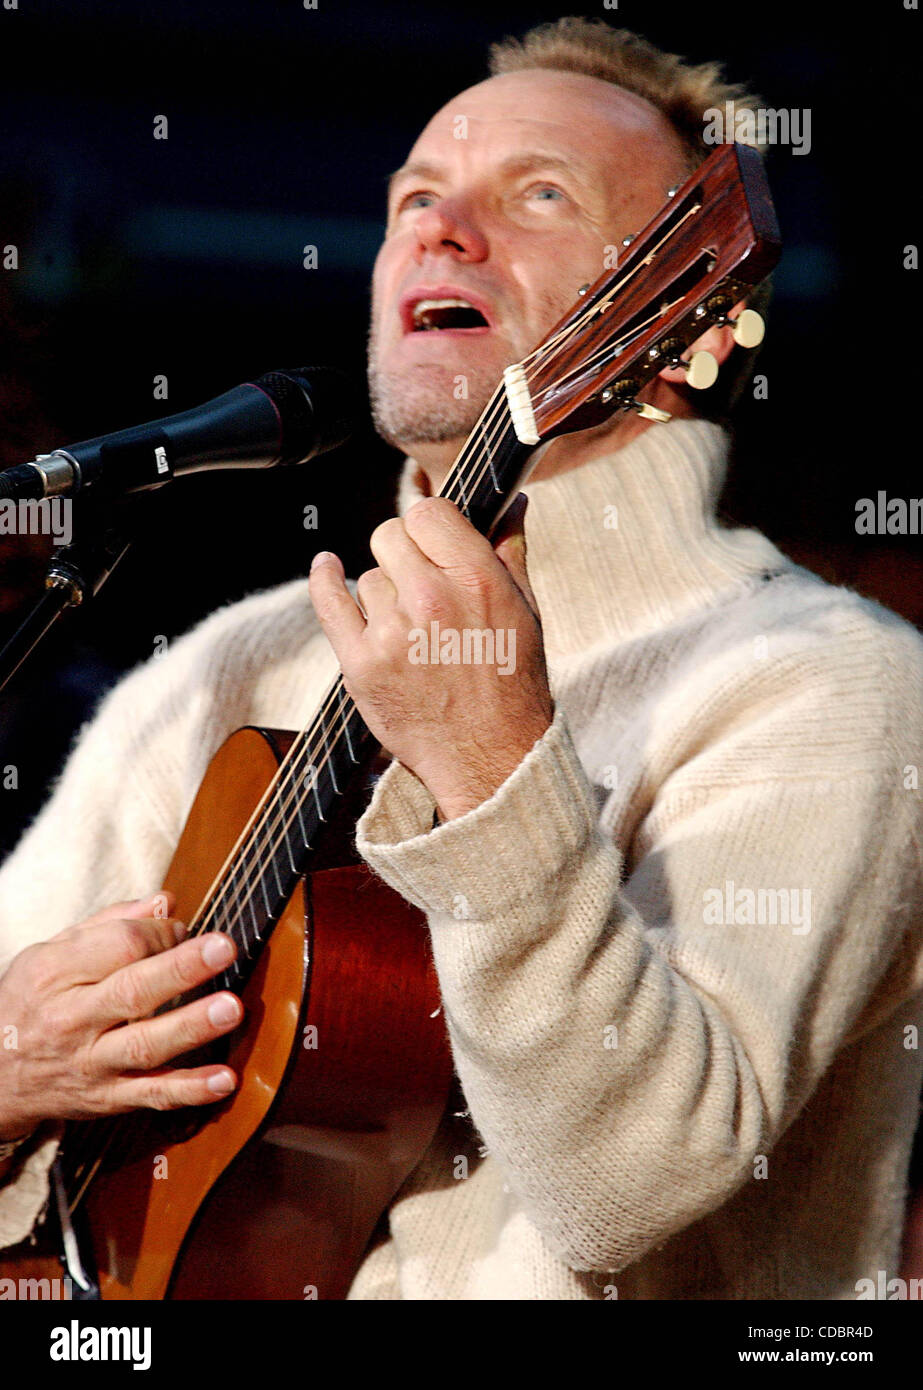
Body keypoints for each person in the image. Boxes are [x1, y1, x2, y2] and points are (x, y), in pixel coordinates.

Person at [1, 19, 921, 1300]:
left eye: (538, 195)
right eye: (414, 200)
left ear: (695, 318)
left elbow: (633, 1184)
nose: (440, 229)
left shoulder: (827, 687)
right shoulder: (226, 669)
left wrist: (496, 774)